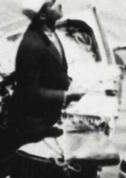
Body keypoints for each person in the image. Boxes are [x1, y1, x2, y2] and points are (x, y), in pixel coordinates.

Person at [9, 2, 84, 145]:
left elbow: (51, 64)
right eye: (52, 3)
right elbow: (28, 90)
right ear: (43, 15)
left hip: (46, 115)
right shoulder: (32, 44)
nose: (59, 3)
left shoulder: (49, 31)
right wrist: (65, 96)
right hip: (31, 123)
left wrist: (65, 79)